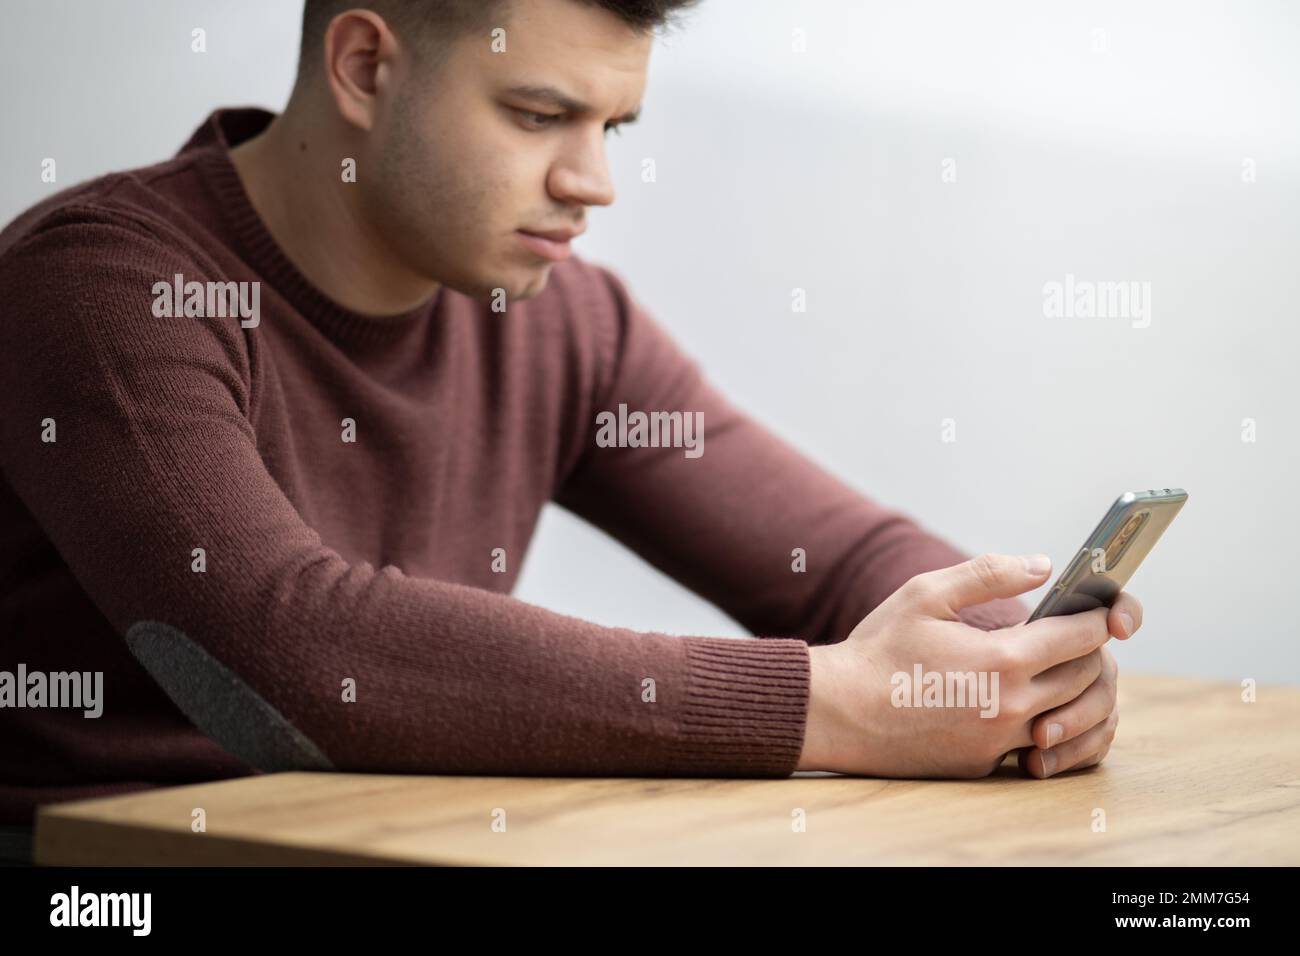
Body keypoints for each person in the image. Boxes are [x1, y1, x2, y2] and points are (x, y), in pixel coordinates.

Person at [0, 0, 1138, 850]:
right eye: (540, 114)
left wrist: (1015, 655)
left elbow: (832, 557)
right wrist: (832, 706)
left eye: (616, 126)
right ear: (362, 65)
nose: (593, 182)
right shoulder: (104, 286)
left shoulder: (557, 318)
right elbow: (292, 651)